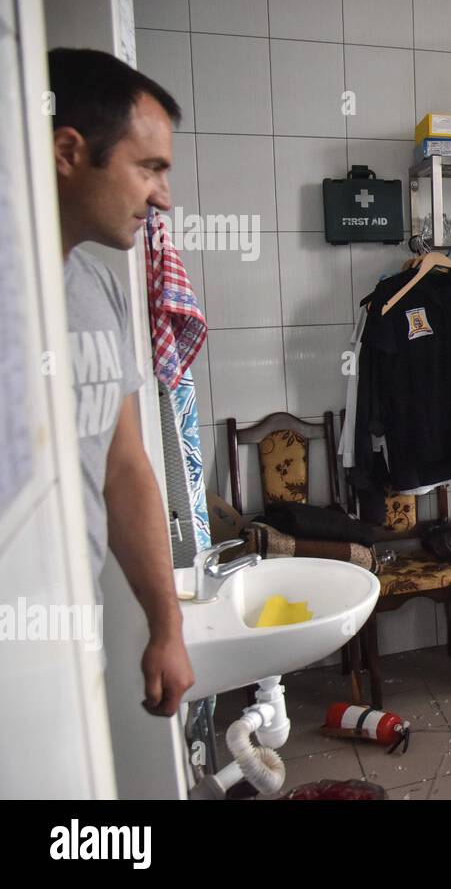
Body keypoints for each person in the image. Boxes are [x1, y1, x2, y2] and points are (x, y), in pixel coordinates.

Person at [48, 48, 193, 717]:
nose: (162, 196)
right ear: (68, 151)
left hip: (71, 642)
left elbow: (126, 465)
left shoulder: (98, 287)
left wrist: (166, 626)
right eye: (149, 168)